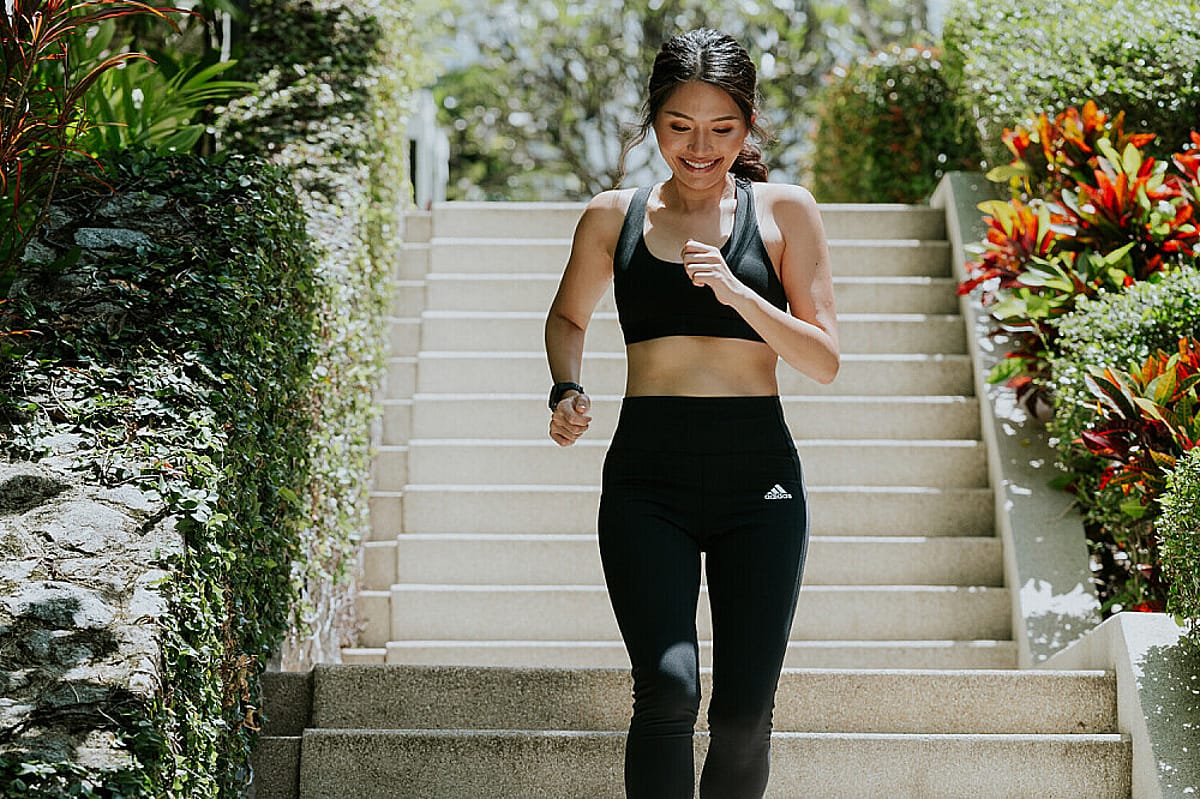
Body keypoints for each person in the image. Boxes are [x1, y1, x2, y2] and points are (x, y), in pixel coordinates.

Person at [543, 27, 839, 799]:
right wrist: (564, 389)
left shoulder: (785, 212)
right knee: (669, 688)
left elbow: (824, 359)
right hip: (648, 481)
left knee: (744, 711)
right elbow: (568, 318)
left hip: (760, 484)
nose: (700, 147)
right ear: (653, 123)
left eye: (722, 129)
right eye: (679, 127)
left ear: (748, 127)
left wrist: (740, 295)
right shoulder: (613, 216)